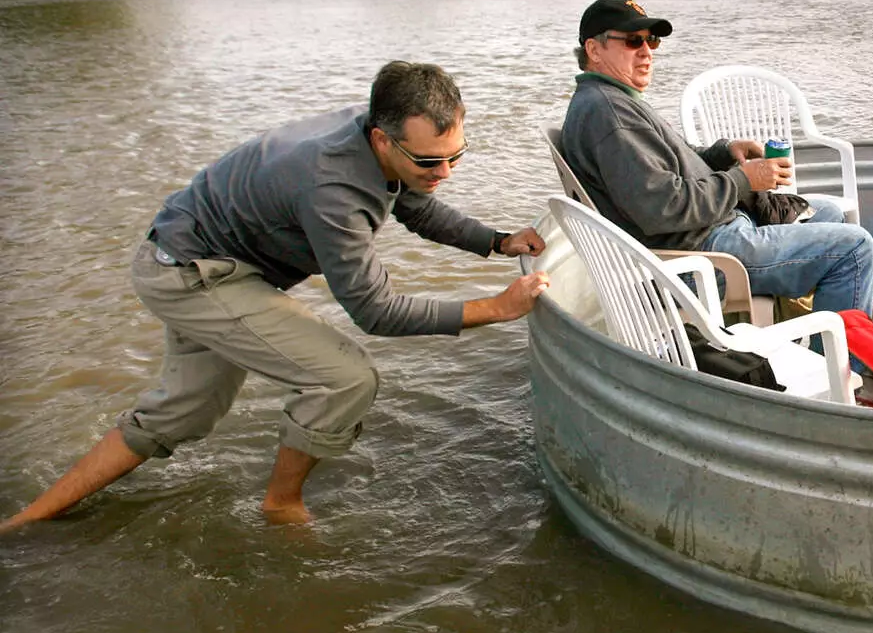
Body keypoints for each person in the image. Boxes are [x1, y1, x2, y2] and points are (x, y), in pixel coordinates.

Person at [1, 62, 551, 532]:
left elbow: (416, 203)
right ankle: (282, 504)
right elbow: (375, 312)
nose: (446, 173)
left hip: (191, 255)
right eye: (430, 162)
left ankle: (27, 523)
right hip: (191, 273)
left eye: (457, 155)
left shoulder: (381, 136)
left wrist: (497, 241)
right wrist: (497, 309)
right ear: (383, 138)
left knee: (178, 417)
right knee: (345, 377)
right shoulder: (334, 187)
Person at [560, 0, 873, 316]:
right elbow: (662, 207)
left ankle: (805, 330)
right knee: (855, 248)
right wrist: (743, 180)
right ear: (594, 50)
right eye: (632, 41)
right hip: (698, 257)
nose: (646, 52)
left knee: (829, 214)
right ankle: (838, 363)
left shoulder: (610, 100)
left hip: (708, 232)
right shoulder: (609, 114)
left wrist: (722, 154)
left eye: (651, 41)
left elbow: (667, 166)